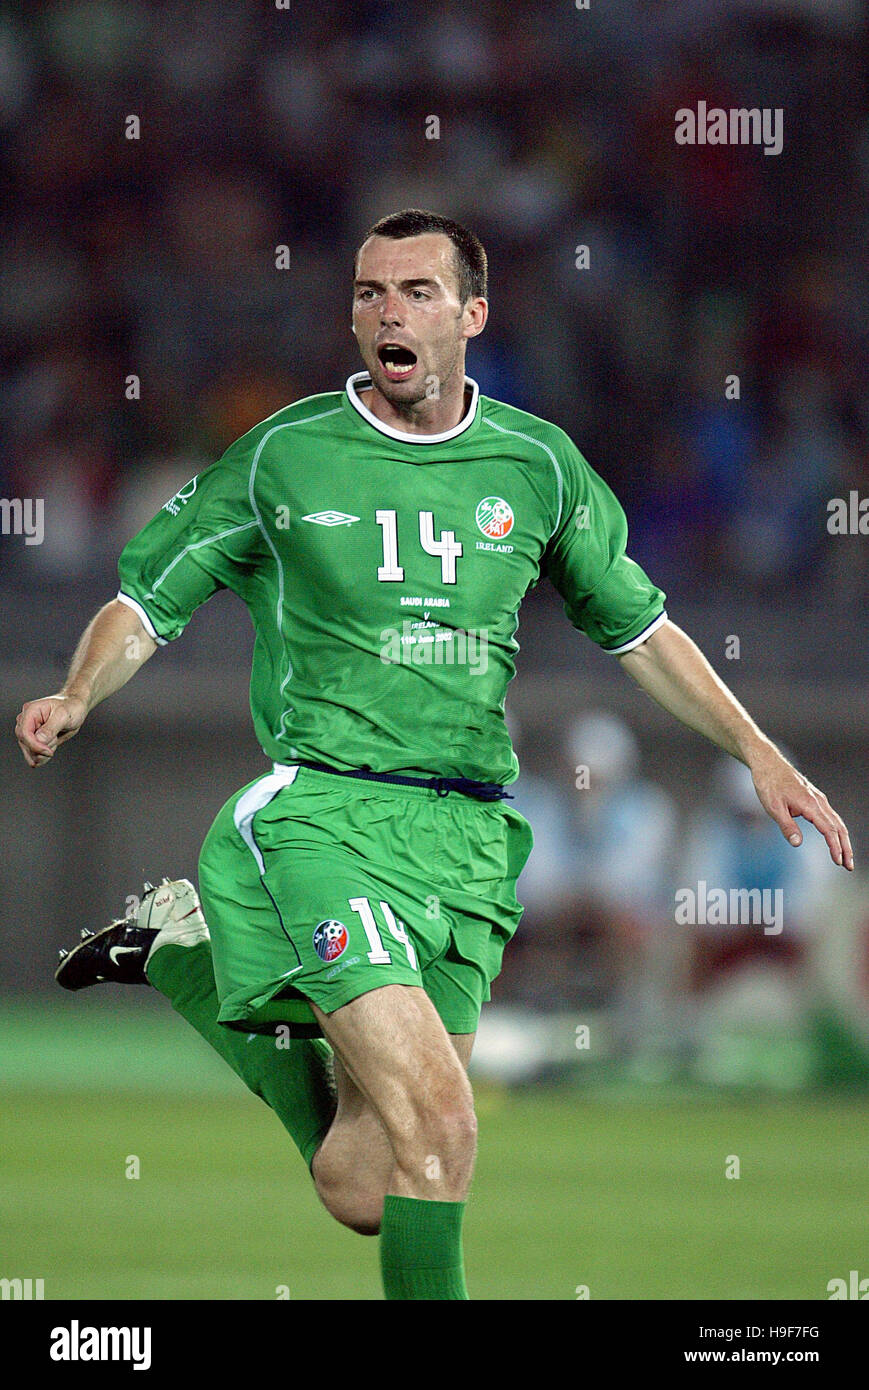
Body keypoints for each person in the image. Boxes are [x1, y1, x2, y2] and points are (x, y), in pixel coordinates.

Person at [15, 209, 853, 1301]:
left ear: (472, 314)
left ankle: (178, 953)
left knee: (369, 1183)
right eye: (368, 292)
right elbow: (145, 600)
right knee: (447, 1128)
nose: (386, 312)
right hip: (325, 812)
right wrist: (79, 689)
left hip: (465, 840)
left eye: (414, 291)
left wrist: (755, 747)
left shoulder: (536, 465)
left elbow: (641, 631)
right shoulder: (286, 452)